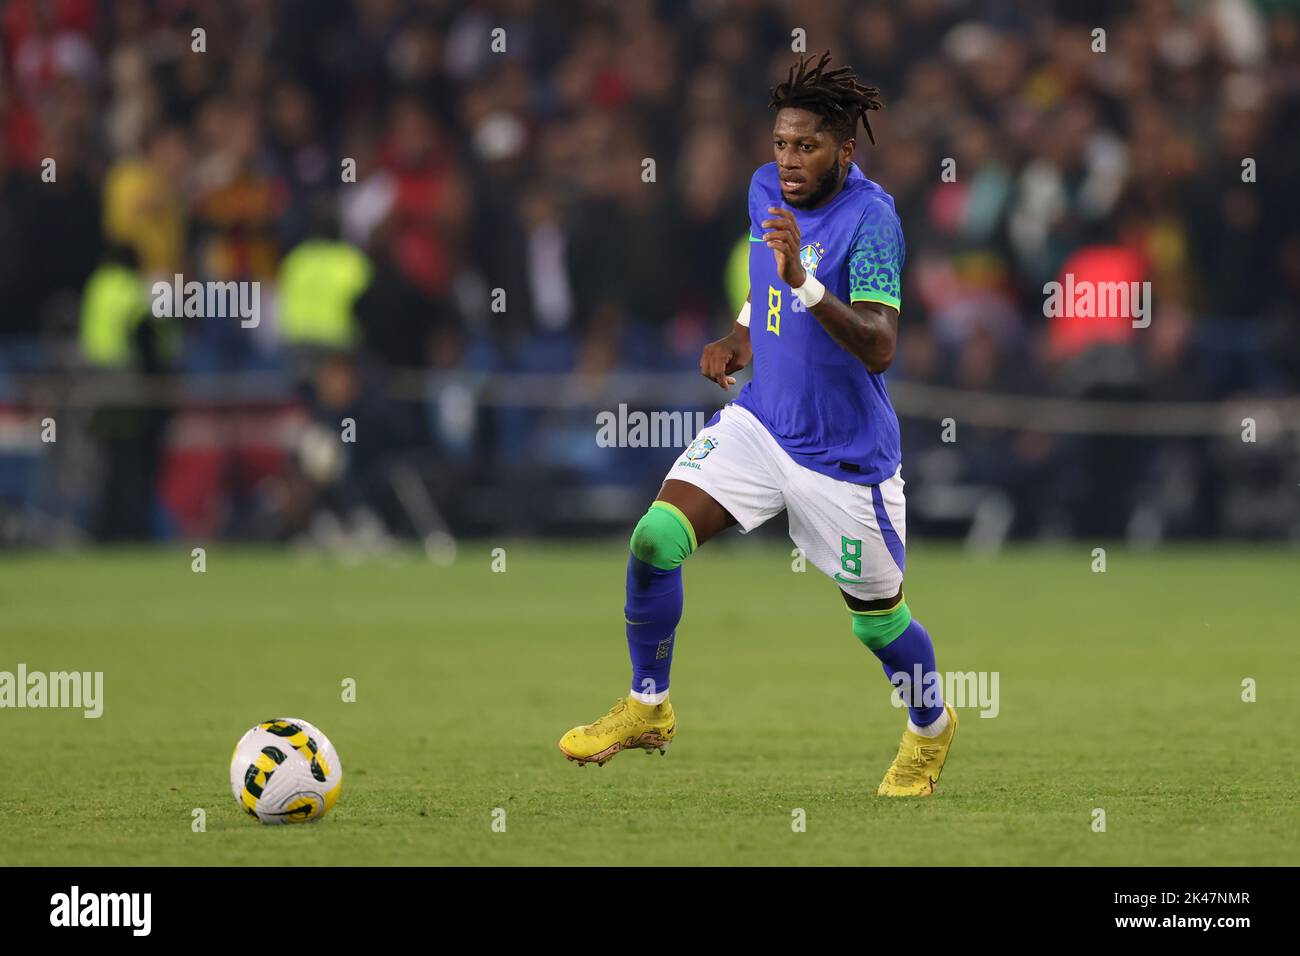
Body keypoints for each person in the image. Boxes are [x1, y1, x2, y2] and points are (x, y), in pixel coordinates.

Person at [559, 53, 958, 796]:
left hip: (844, 459)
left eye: (806, 146)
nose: (789, 160)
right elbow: (767, 276)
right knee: (655, 538)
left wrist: (805, 283)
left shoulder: (872, 221)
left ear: (845, 149)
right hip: (761, 421)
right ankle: (650, 705)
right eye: (780, 143)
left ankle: (930, 729)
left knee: (877, 624)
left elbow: (880, 343)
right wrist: (741, 333)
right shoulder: (763, 189)